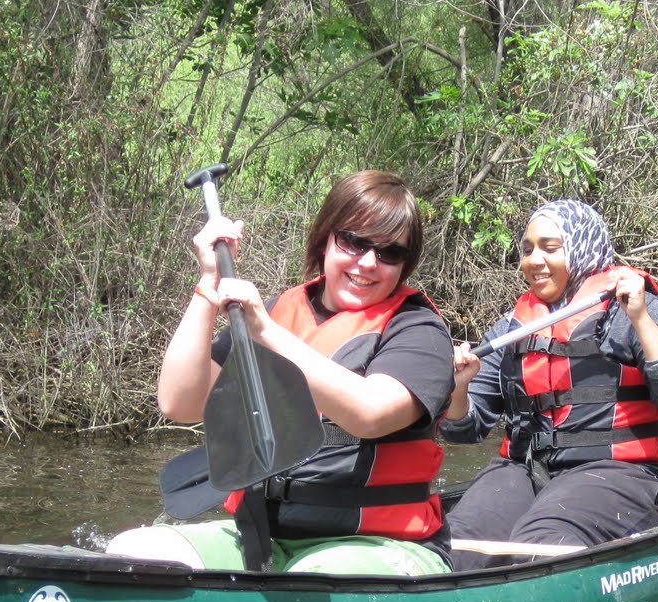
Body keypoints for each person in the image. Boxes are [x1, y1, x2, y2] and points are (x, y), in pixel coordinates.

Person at [109, 170, 455, 575]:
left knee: (310, 578)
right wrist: (208, 283)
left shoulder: (418, 331)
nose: (367, 262)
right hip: (263, 536)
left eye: (389, 252)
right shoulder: (278, 313)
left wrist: (266, 334)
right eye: (354, 241)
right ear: (326, 238)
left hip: (382, 543)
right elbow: (179, 403)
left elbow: (371, 413)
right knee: (132, 550)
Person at [440, 198, 658, 569]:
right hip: (527, 469)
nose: (534, 259)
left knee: (540, 546)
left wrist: (642, 319)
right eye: (527, 249)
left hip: (622, 473)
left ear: (583, 248)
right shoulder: (512, 327)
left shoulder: (628, 311)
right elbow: (462, 432)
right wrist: (459, 388)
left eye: (550, 248)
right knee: (454, 548)